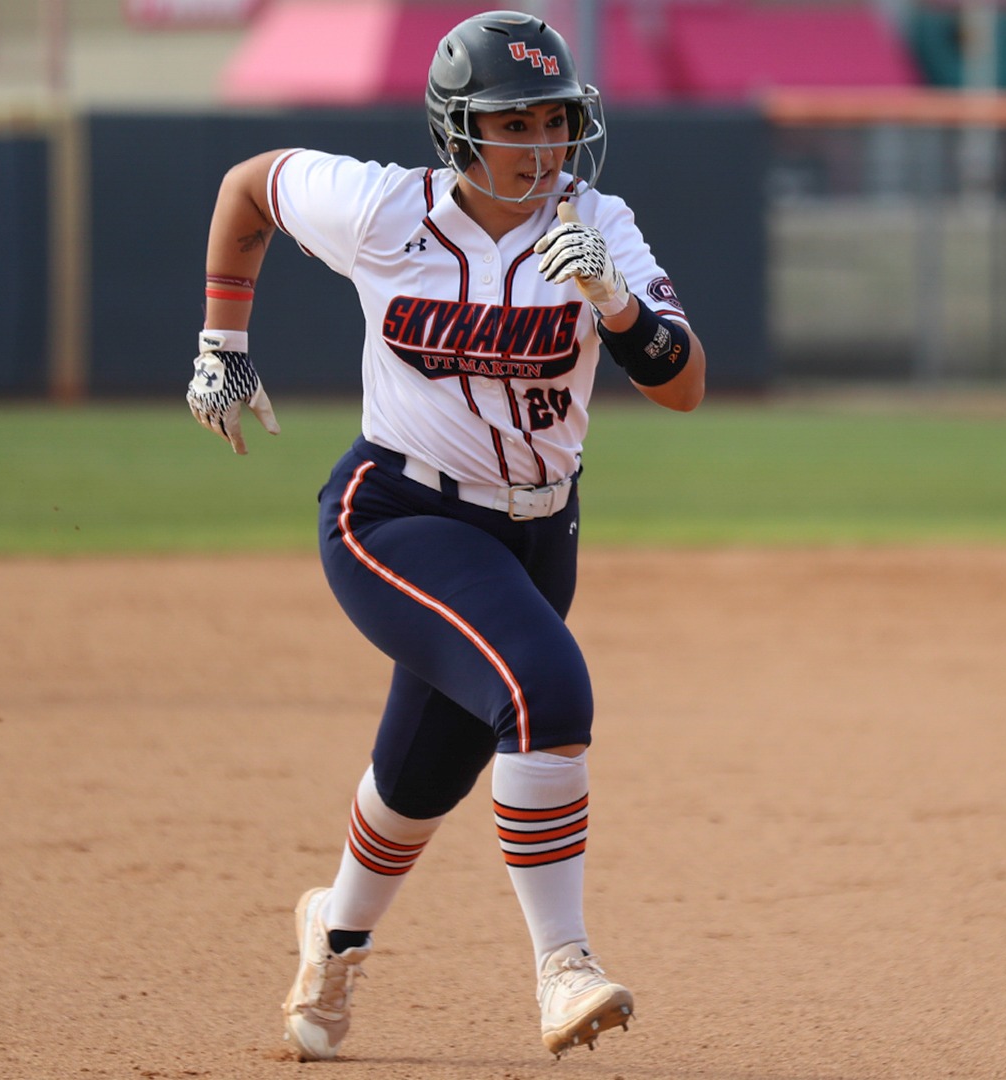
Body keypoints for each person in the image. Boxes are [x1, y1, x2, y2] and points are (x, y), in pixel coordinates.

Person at [184, 9, 705, 1060]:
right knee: (545, 696)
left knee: (422, 776)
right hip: (397, 513)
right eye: (517, 123)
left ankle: (329, 940)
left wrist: (612, 300)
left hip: (537, 536)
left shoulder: (599, 218)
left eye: (557, 119)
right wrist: (221, 337)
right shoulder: (385, 209)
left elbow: (683, 383)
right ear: (458, 132)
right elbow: (251, 184)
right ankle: (565, 967)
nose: (546, 143)